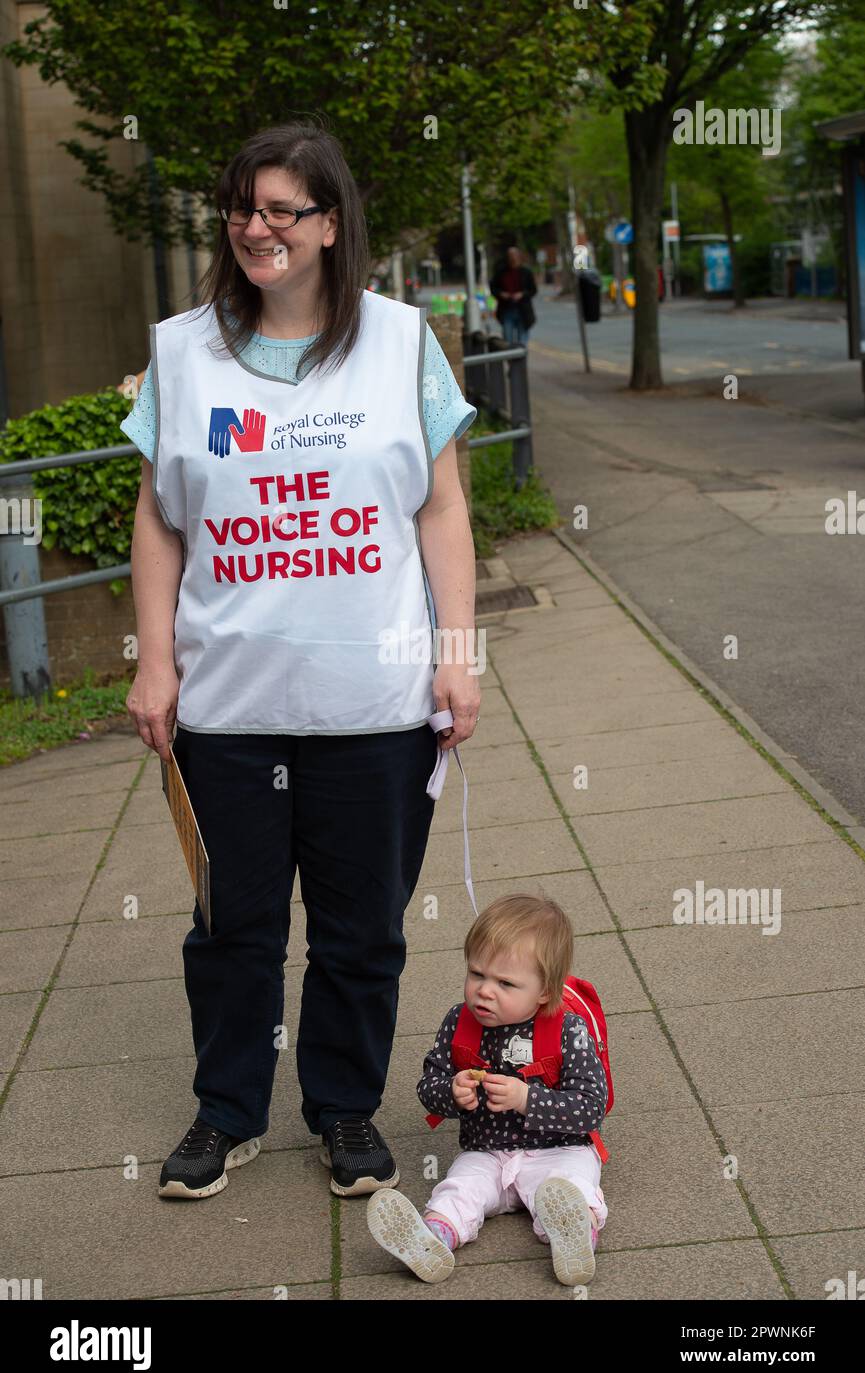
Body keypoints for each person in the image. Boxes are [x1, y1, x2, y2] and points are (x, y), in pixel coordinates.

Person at [121, 120, 481, 1201]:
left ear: (330, 225)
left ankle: (343, 1109)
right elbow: (157, 523)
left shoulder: (403, 341)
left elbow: (445, 506)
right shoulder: (182, 350)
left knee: (362, 930)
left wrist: (457, 659)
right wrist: (153, 663)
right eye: (242, 206)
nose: (256, 228)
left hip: (373, 701)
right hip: (226, 706)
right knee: (233, 927)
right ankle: (226, 1109)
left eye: (283, 209)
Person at [366, 893, 609, 1286]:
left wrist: (526, 1098)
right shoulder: (459, 1021)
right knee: (459, 1189)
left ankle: (573, 1232)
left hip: (557, 1149)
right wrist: (451, 1091)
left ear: (545, 991)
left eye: (505, 983)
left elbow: (590, 1107)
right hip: (487, 1152)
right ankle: (433, 1237)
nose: (484, 991)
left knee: (570, 1186)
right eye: (477, 974)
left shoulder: (567, 1029)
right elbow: (428, 1086)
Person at [489, 246, 537, 345]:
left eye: (515, 255)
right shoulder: (501, 272)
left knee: (522, 341)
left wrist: (522, 294)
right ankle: (511, 359)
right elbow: (493, 288)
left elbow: (533, 290)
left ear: (519, 256)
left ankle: (521, 359)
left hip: (523, 310)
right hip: (507, 309)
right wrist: (501, 294)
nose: (513, 258)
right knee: (507, 340)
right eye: (510, 256)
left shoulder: (526, 272)